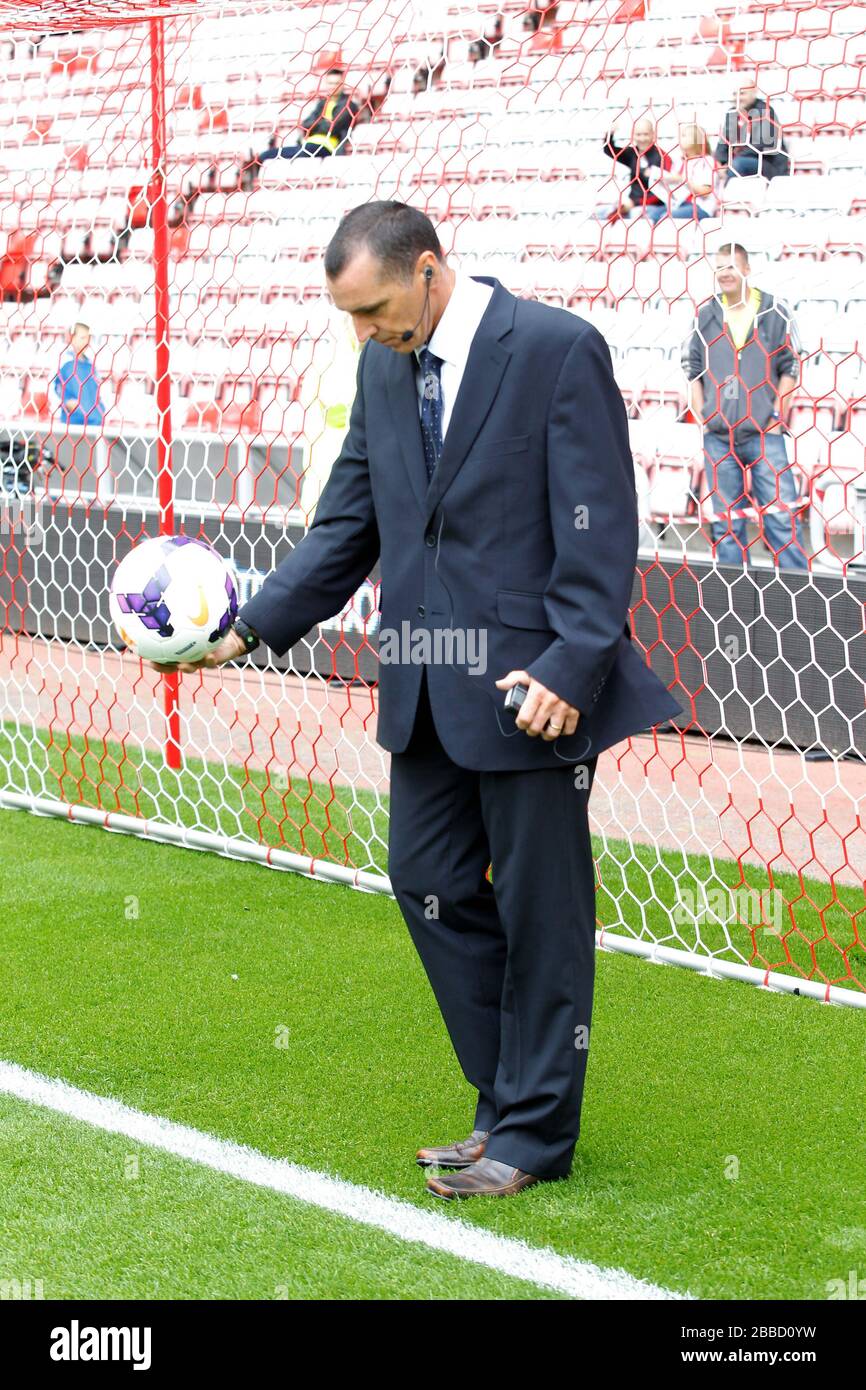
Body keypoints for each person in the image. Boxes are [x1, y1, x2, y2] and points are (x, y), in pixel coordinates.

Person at [150, 201, 681, 1199]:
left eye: (375, 308)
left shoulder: (556, 350)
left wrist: (572, 665)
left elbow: (599, 521)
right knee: (425, 879)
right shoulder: (380, 367)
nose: (363, 333)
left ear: (429, 270)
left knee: (540, 909)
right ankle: (502, 1093)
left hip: (534, 686)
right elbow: (344, 525)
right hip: (424, 683)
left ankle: (530, 1132)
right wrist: (248, 627)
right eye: (348, 316)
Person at [681, 242, 808, 570]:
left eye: (731, 267)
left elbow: (790, 365)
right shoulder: (705, 314)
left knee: (780, 520)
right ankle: (733, 601)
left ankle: (802, 601)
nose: (725, 273)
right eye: (719, 267)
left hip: (764, 434)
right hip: (719, 436)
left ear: (747, 270)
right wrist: (704, 416)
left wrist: (777, 416)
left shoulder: (774, 310)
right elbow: (692, 368)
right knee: (726, 526)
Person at [260, 65, 360, 162]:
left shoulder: (349, 105)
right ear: (325, 84)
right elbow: (306, 124)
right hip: (307, 144)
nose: (333, 86)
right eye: (330, 83)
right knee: (267, 155)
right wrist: (322, 123)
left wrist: (315, 125)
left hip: (328, 147)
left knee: (301, 155)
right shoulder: (322, 103)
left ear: (342, 84)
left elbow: (332, 127)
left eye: (336, 83)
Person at [715, 79, 790, 184]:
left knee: (737, 165)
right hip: (737, 161)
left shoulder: (765, 111)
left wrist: (730, 163)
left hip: (766, 163)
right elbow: (723, 142)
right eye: (734, 94)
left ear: (754, 92)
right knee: (709, 166)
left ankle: (727, 198)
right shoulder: (732, 113)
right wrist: (720, 161)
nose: (738, 98)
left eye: (742, 93)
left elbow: (763, 144)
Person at [602, 117, 672, 223]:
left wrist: (635, 203)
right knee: (600, 212)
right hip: (632, 203)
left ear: (653, 134)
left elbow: (666, 189)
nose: (642, 139)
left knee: (637, 214)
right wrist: (610, 134)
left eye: (646, 134)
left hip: (655, 205)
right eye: (639, 134)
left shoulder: (662, 157)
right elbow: (609, 150)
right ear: (633, 135)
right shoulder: (632, 153)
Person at [51, 321, 106, 427]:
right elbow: (57, 387)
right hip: (74, 421)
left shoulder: (91, 366)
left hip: (94, 421)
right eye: (82, 338)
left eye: (88, 339)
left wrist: (101, 410)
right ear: (72, 339)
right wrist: (67, 401)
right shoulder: (65, 362)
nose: (86, 342)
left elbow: (95, 391)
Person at [660, 124, 720, 221]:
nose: (680, 139)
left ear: (696, 139)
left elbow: (705, 192)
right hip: (678, 204)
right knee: (650, 214)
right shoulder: (679, 162)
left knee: (665, 218)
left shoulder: (707, 161)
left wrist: (682, 180)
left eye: (684, 135)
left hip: (700, 207)